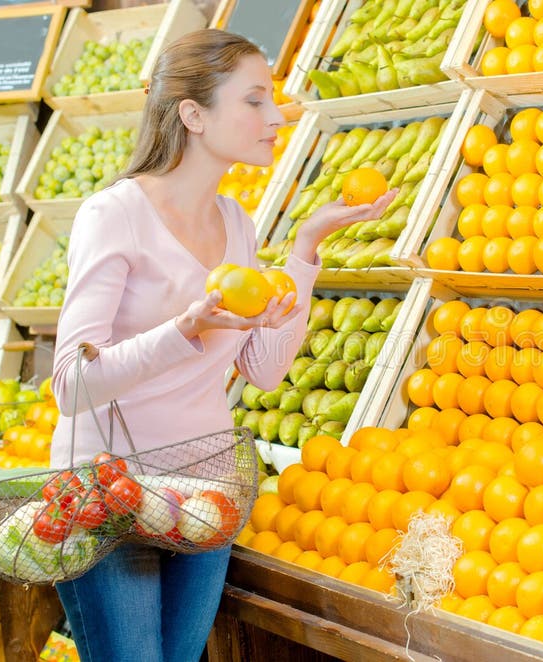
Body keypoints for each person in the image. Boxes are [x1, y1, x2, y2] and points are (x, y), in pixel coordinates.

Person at [48, 28, 396, 662]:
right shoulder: (113, 215)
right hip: (111, 494)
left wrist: (304, 253)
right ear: (194, 115)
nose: (276, 117)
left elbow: (264, 370)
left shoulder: (237, 222)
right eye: (255, 100)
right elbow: (71, 384)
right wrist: (187, 329)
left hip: (205, 489)